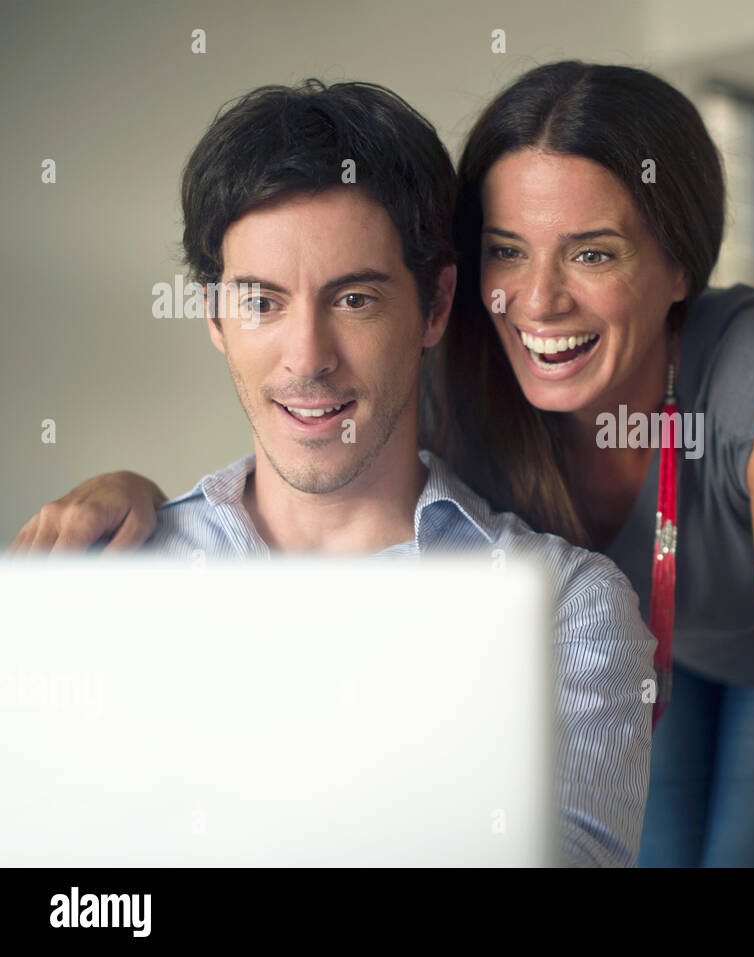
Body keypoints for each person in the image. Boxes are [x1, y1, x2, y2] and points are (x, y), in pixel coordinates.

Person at [12, 62, 754, 868]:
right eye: (507, 251)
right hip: (651, 639)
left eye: (593, 252)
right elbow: (317, 438)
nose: (539, 301)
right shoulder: (447, 357)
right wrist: (137, 499)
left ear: (679, 263)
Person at [6, 79, 655, 867]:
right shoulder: (103, 573)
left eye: (353, 299)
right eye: (262, 301)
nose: (307, 357)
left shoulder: (569, 612)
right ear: (214, 315)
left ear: (438, 304)